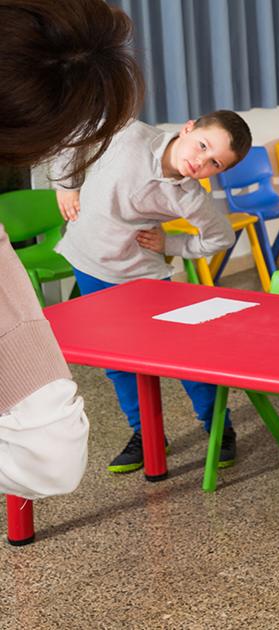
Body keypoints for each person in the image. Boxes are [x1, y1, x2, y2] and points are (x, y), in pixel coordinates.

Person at [51, 110, 252, 474]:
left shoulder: (188, 196)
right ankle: (147, 434)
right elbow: (74, 132)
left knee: (182, 357)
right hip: (89, 264)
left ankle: (219, 428)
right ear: (188, 127)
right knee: (118, 364)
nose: (199, 161)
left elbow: (221, 236)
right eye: (202, 145)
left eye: (214, 164)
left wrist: (171, 244)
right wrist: (66, 184)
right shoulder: (128, 134)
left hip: (143, 279)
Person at [0, 0, 143, 499]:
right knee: (118, 366)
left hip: (133, 273)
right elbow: (51, 460)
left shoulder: (151, 158)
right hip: (90, 263)